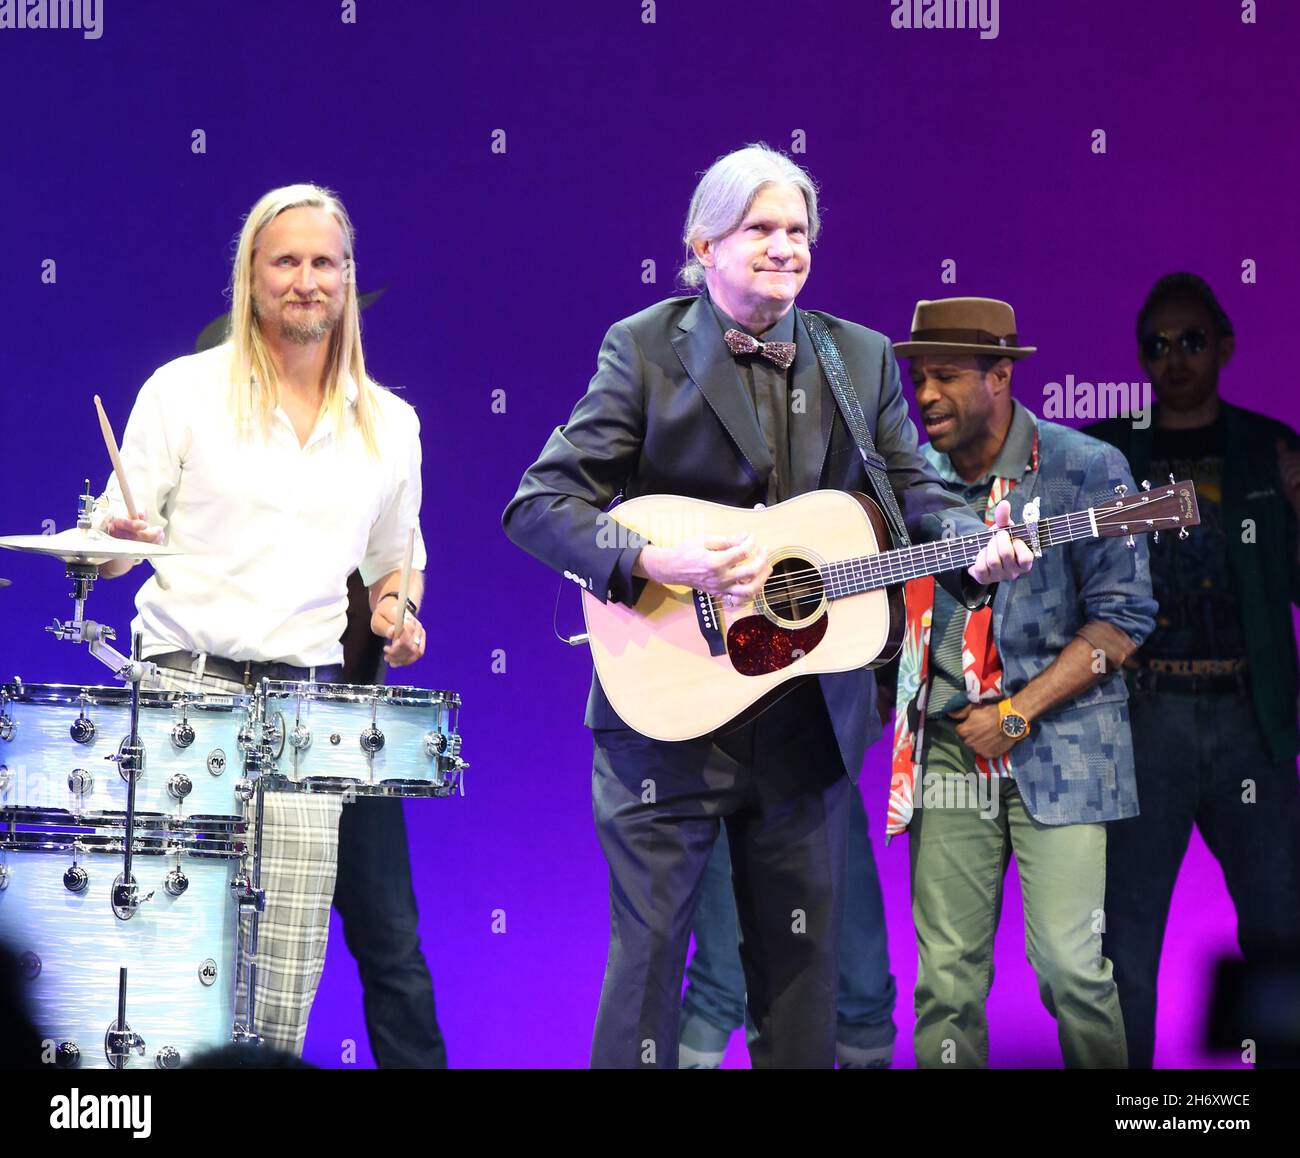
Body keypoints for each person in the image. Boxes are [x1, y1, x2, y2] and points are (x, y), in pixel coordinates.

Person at [503, 145, 1033, 1069]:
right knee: (651, 963)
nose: (785, 247)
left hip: (801, 713)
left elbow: (913, 491)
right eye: (761, 229)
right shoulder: (644, 347)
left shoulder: (856, 356)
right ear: (703, 244)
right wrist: (650, 558)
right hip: (667, 715)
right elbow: (541, 506)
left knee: (801, 975)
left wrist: (971, 547)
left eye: (798, 232)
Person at [96, 183, 427, 1057]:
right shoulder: (182, 392)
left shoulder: (390, 425)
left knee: (283, 976)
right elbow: (108, 543)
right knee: (166, 952)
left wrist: (398, 611)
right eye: (286, 261)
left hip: (305, 717)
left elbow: (397, 556)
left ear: (349, 279)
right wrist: (117, 539)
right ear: (250, 276)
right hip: (179, 699)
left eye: (325, 263)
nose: (306, 280)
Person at [886, 296, 1157, 1068]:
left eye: (944, 377)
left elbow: (1123, 621)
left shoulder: (1086, 468)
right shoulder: (913, 483)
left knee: (1073, 970)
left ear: (1001, 375)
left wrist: (1016, 712)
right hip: (946, 751)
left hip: (1062, 744)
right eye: (916, 379)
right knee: (946, 980)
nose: (925, 396)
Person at [1085, 272, 1300, 1068]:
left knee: (1280, 926)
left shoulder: (1267, 450)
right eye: (1157, 344)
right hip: (1145, 715)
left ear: (1226, 346)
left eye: (1191, 341)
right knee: (1125, 935)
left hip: (1251, 712)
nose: (1173, 358)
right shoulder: (1109, 453)